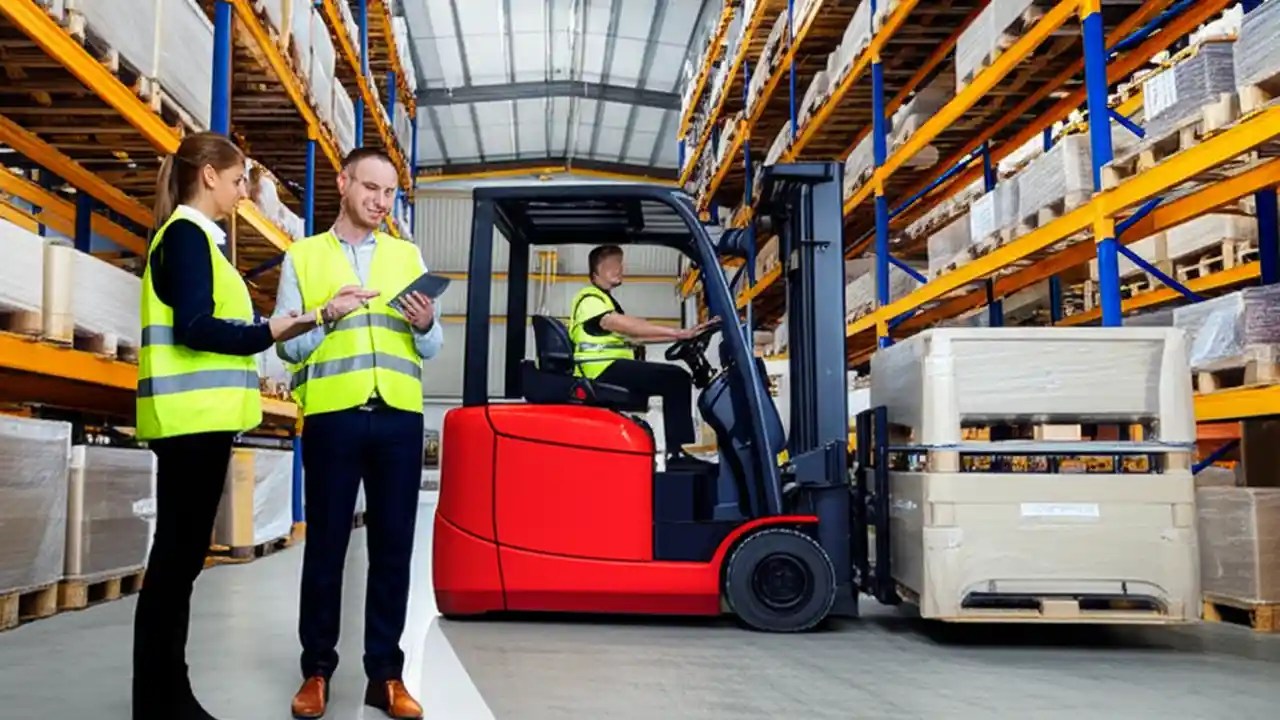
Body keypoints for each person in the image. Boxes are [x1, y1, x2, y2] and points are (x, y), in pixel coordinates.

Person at [132, 131, 319, 720]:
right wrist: (270, 331)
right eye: (239, 181)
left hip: (196, 425)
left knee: (178, 563)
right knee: (176, 564)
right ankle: (164, 699)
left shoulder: (195, 242)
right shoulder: (187, 239)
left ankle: (164, 695)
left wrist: (266, 327)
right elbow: (194, 327)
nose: (243, 193)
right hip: (192, 424)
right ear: (208, 176)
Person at [274, 147, 440, 720]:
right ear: (343, 183)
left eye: (390, 192)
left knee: (393, 549)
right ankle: (316, 671)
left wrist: (426, 324)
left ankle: (386, 677)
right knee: (326, 548)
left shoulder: (407, 254)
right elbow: (288, 347)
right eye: (370, 188)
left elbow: (432, 347)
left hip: (398, 416)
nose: (380, 201)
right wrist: (326, 314)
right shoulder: (303, 256)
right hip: (334, 416)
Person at [570, 244, 718, 461]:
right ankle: (677, 454)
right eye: (611, 265)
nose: (619, 268)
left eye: (620, 264)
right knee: (676, 379)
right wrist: (679, 333)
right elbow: (627, 326)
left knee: (675, 377)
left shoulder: (604, 300)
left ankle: (677, 452)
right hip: (600, 370)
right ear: (595, 272)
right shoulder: (590, 299)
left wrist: (681, 335)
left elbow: (637, 336)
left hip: (606, 368)